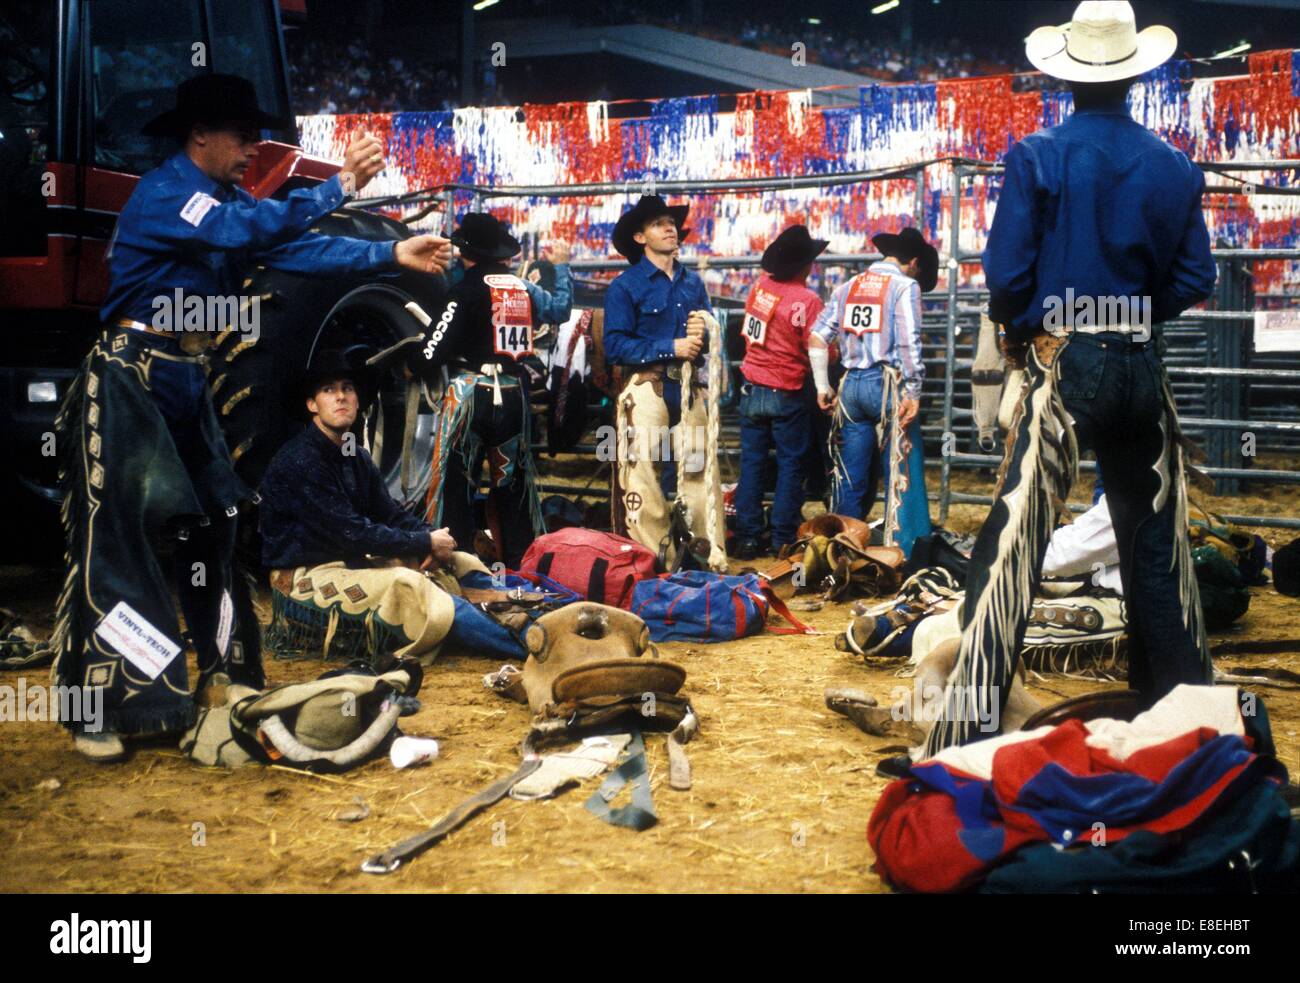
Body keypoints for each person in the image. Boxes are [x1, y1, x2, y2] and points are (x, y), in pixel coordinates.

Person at [51, 74, 452, 762]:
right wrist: (336, 190)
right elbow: (251, 227)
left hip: (183, 376)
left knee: (219, 521)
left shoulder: (225, 202)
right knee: (115, 536)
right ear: (199, 137)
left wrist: (387, 252)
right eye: (241, 138)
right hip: (129, 373)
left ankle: (228, 675)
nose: (251, 151)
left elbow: (296, 250)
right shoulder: (167, 195)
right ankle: (101, 705)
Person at [915, 1, 1217, 762]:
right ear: (1134, 76)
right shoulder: (1175, 166)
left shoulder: (1039, 154)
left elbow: (1007, 274)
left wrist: (1028, 326)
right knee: (1156, 548)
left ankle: (965, 733)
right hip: (1141, 361)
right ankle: (1187, 731)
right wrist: (1134, 310)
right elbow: (1196, 275)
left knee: (1015, 546)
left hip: (1065, 358)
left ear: (1069, 77)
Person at [258, 352, 525, 665]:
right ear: (312, 405)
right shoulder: (299, 461)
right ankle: (528, 647)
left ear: (358, 401)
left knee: (460, 559)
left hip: (350, 561)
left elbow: (391, 514)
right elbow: (353, 534)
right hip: (303, 579)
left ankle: (538, 608)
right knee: (408, 586)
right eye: (328, 390)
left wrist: (433, 537)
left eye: (348, 388)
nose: (341, 397)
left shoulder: (354, 455)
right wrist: (423, 543)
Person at [405, 213, 548, 568]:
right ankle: (520, 567)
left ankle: (459, 564)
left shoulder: (464, 290)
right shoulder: (520, 289)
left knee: (457, 481)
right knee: (513, 484)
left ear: (465, 252)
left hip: (472, 394)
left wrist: (413, 363)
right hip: (515, 394)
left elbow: (435, 345)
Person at [602, 195, 726, 570]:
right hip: (647, 389)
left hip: (687, 391)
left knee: (697, 471)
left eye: (670, 222)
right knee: (644, 477)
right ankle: (653, 563)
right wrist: (671, 345)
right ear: (640, 238)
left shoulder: (692, 284)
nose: (669, 227)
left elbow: (700, 348)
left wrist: (702, 334)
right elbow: (614, 346)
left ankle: (707, 558)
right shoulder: (625, 286)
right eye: (658, 223)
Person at [809, 226, 937, 556]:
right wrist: (914, 390)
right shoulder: (904, 286)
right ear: (913, 262)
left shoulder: (847, 287)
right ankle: (907, 548)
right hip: (888, 384)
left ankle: (838, 547)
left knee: (849, 473)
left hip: (850, 386)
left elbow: (817, 338)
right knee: (903, 466)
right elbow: (909, 341)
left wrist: (823, 386)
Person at [732, 224, 828, 559]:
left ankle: (746, 536)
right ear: (806, 265)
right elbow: (815, 346)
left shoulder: (760, 288)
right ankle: (782, 537)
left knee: (753, 463)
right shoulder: (808, 300)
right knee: (791, 464)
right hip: (787, 388)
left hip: (752, 383)